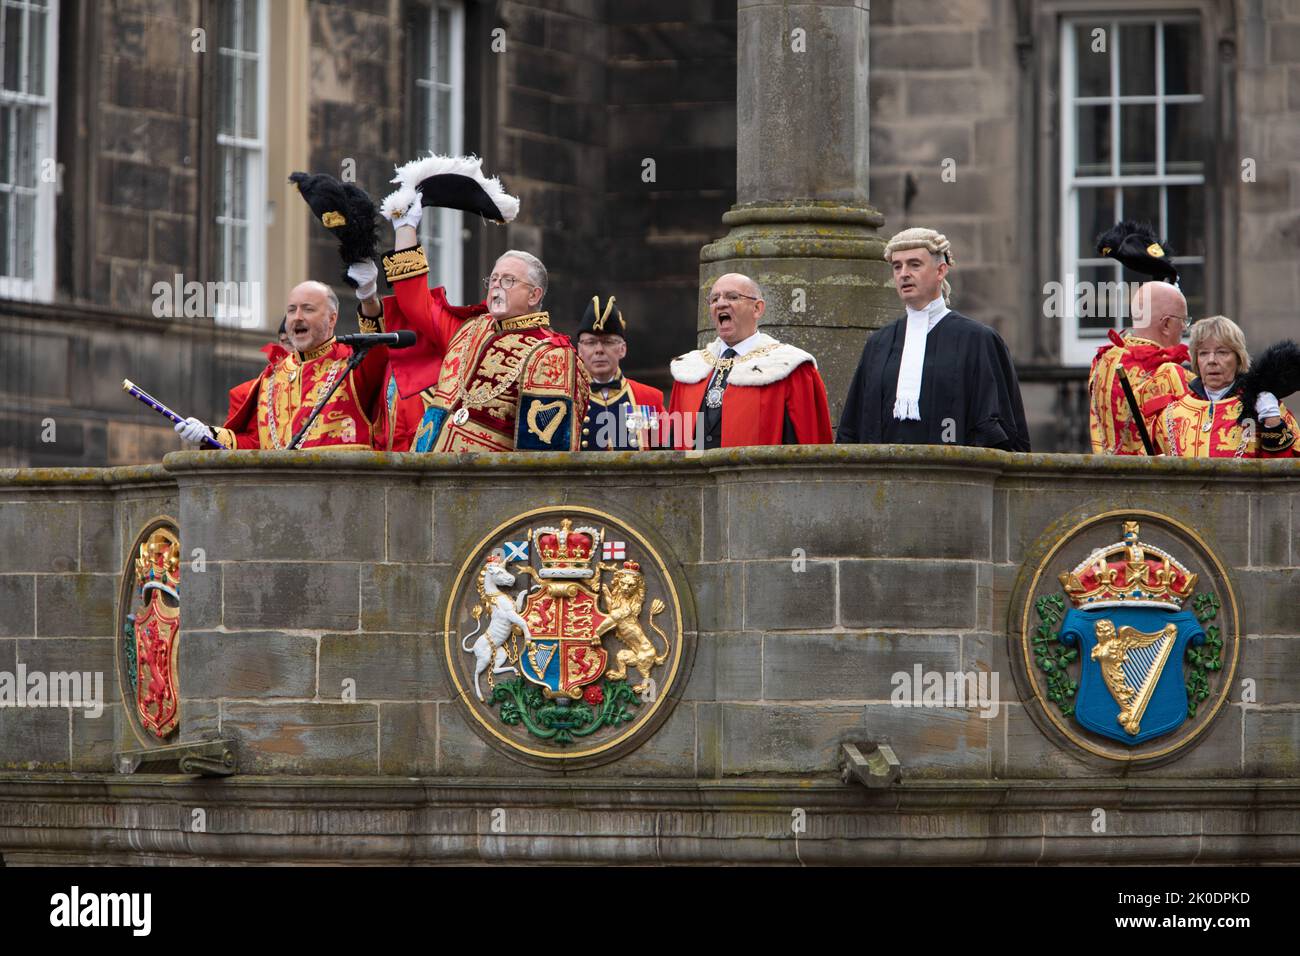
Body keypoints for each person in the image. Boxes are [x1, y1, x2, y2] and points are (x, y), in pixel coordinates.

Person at [378, 188, 587, 452]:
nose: (497, 286)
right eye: (494, 279)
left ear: (534, 295)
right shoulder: (467, 328)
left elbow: (544, 453)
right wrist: (406, 228)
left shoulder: (551, 352)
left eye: (509, 280)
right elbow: (414, 302)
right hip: (426, 476)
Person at [836, 227, 1030, 450]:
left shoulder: (978, 340)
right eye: (897, 266)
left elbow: (1001, 429)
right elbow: (853, 427)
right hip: (885, 478)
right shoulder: (878, 344)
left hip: (953, 478)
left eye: (914, 264)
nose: (904, 273)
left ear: (941, 271)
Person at [174, 281, 389, 449]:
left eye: (308, 309)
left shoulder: (353, 364)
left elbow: (378, 344)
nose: (297, 317)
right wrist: (210, 435)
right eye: (291, 310)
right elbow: (257, 446)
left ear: (332, 319)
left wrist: (369, 299)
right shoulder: (270, 379)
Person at [665, 273, 832, 449]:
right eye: (714, 299)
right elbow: (674, 445)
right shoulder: (690, 369)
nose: (721, 303)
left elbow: (806, 445)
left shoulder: (790, 367)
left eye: (732, 297)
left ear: (757, 309)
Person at [1087, 221, 1192, 454]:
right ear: (1165, 324)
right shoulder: (1170, 373)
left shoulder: (1102, 363)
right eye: (1183, 321)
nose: (1184, 329)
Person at [1144, 315, 1297, 458]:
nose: (1211, 360)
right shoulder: (1170, 414)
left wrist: (1273, 423)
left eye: (1222, 352)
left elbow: (1285, 475)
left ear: (1238, 358)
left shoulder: (1264, 406)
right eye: (1203, 353)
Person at [572, 295, 665, 451]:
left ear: (623, 349)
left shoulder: (649, 398)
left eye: (608, 342)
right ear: (580, 351)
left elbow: (665, 457)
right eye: (590, 342)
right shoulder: (568, 399)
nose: (599, 350)